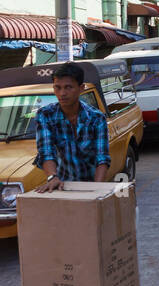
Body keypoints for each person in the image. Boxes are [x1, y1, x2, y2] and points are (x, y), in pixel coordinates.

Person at [35, 62, 111, 192]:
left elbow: (102, 158)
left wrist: (96, 190)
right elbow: (46, 152)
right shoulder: (45, 115)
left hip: (91, 184)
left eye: (68, 87)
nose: (62, 93)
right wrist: (52, 177)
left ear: (81, 88)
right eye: (57, 88)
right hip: (61, 186)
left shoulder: (96, 118)